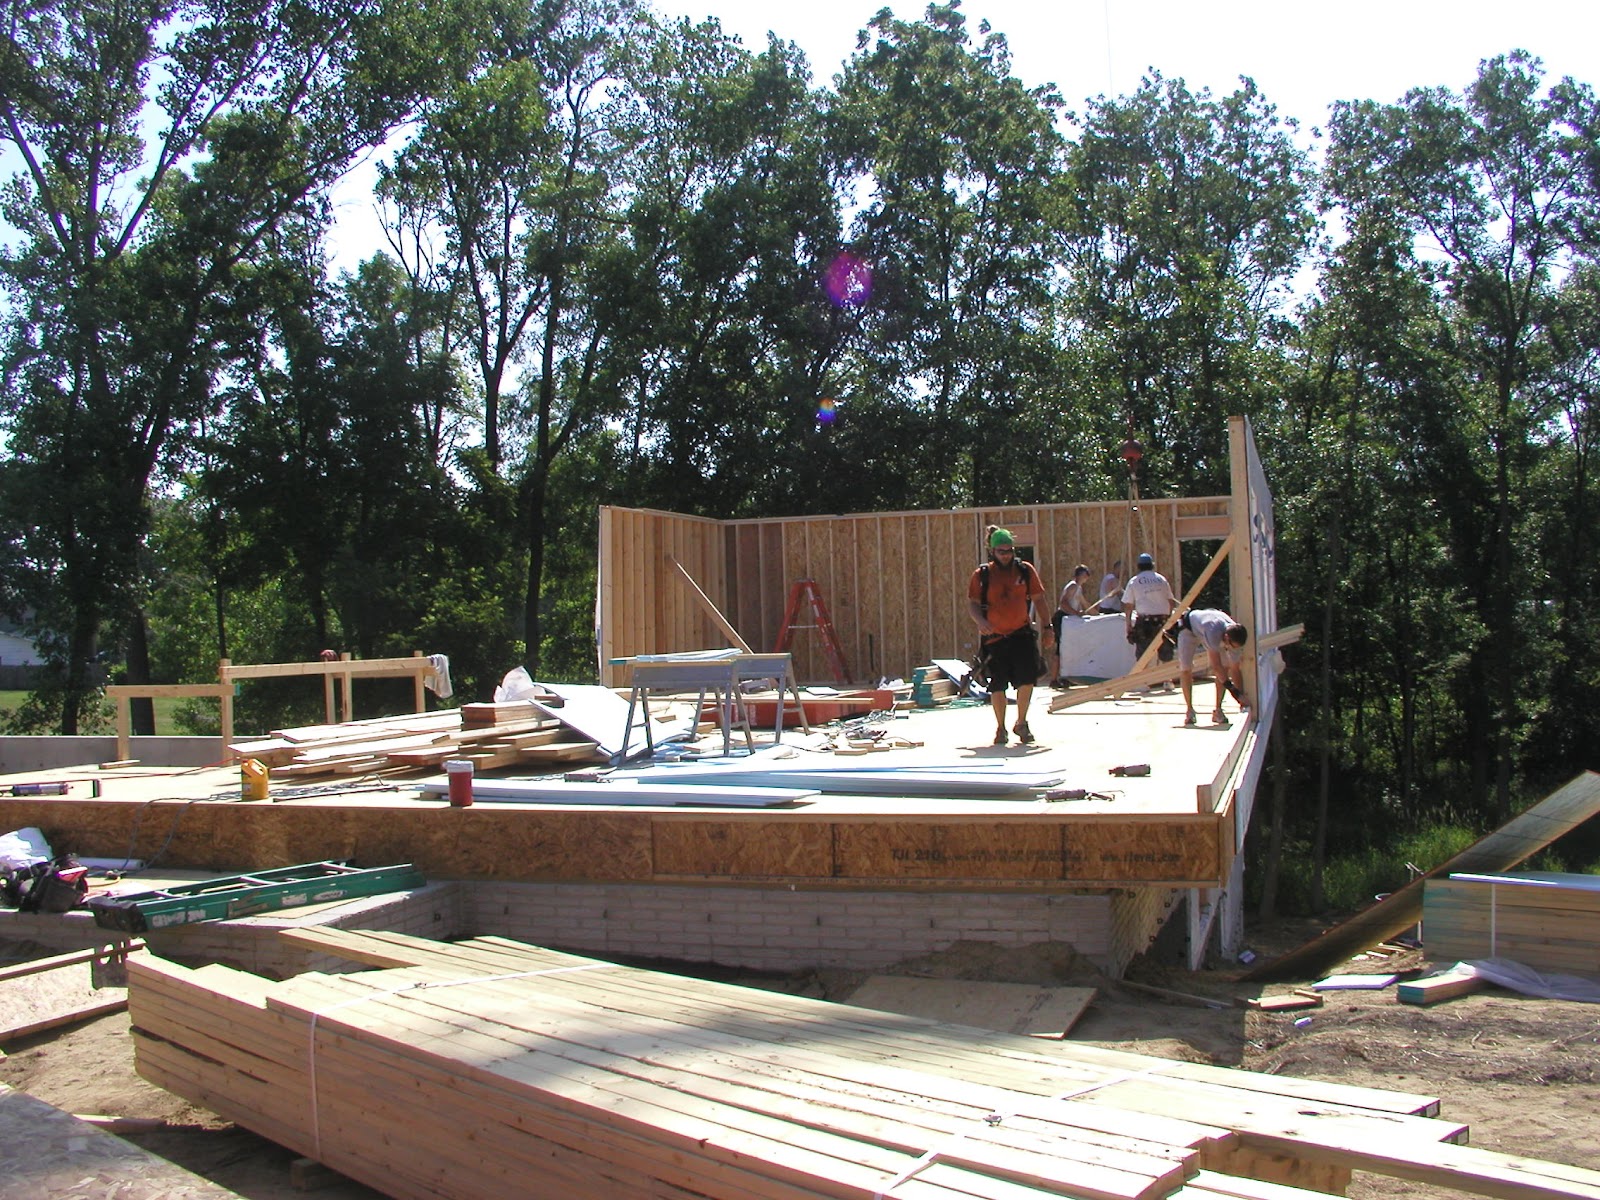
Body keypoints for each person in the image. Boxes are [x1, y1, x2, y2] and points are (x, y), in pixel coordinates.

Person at [968, 527, 1052, 745]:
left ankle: (1021, 722)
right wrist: (981, 621)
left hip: (1021, 634)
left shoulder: (1025, 571)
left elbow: (1039, 600)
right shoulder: (982, 575)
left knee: (1027, 680)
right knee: (997, 685)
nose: (1006, 555)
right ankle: (1000, 728)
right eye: (1001, 551)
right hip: (995, 639)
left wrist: (1048, 627)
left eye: (1009, 551)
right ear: (992, 551)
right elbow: (973, 604)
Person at [1176, 609, 1249, 726]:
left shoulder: (1234, 635)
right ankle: (1190, 711)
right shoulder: (1213, 631)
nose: (1232, 649)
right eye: (1231, 646)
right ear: (1226, 638)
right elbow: (1216, 666)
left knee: (1225, 668)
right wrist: (1235, 693)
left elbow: (1235, 669)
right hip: (1188, 628)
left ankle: (1218, 711)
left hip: (1208, 629)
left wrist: (1241, 698)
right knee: (1186, 668)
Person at [1122, 552, 1177, 687]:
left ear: (1139, 566)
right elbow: (1171, 602)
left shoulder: (1135, 581)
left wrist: (1128, 625)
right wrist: (1169, 619)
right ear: (1152, 565)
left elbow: (1128, 606)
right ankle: (1167, 681)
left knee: (1143, 653)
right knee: (1165, 651)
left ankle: (1143, 684)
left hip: (1145, 622)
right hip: (1163, 620)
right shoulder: (1161, 579)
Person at [1050, 565, 1091, 685]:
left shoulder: (1078, 588)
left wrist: (1096, 614)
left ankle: (1065, 676)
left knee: (1067, 648)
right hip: (1062, 618)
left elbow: (1084, 603)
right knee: (1060, 648)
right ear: (1080, 575)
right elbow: (1063, 603)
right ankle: (1053, 679)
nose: (1086, 578)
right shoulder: (1073, 586)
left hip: (1068, 619)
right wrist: (1076, 613)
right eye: (1085, 575)